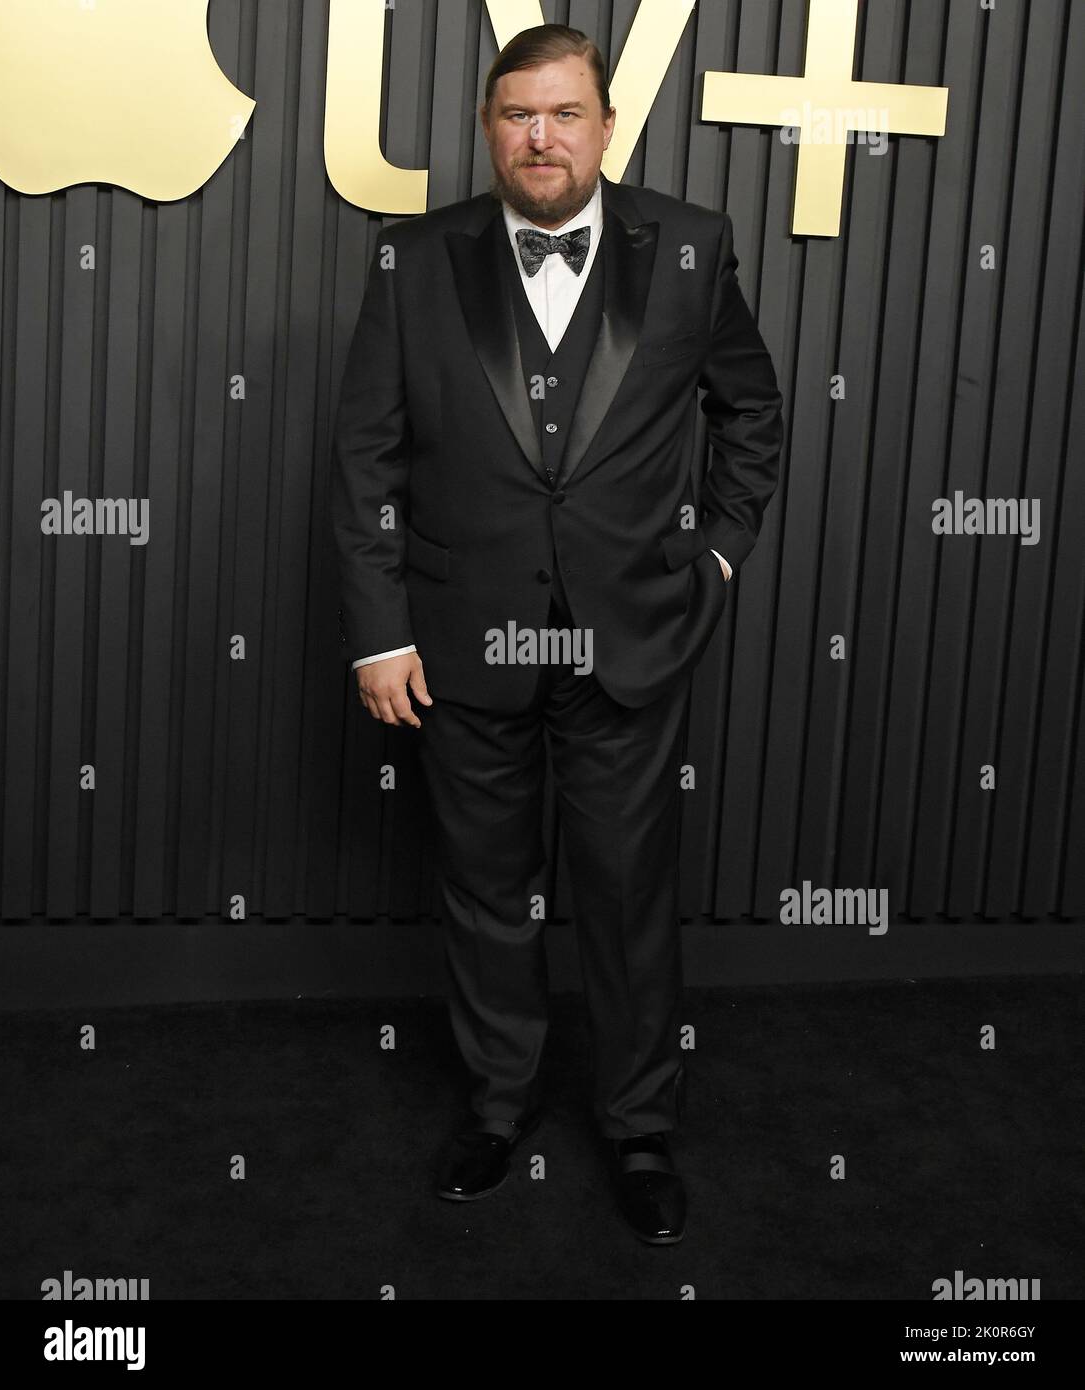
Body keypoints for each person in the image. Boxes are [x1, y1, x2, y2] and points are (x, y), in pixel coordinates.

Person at [331, 23, 784, 1245]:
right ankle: (495, 1105)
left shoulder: (690, 249)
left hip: (627, 642)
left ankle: (638, 1130)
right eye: (518, 114)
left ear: (604, 125)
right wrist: (379, 633)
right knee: (485, 892)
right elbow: (366, 453)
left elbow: (752, 413)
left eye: (564, 113)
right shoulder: (412, 258)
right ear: (489, 127)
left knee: (627, 894)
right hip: (458, 641)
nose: (542, 136)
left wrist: (717, 555)